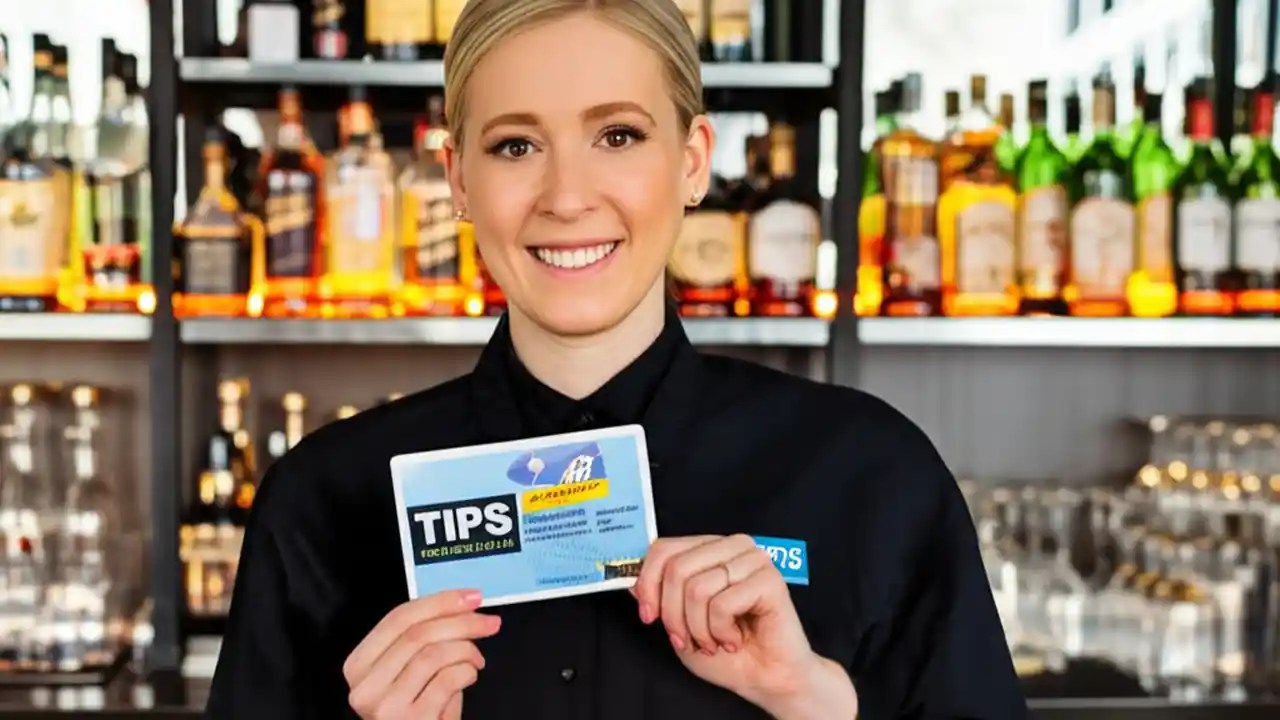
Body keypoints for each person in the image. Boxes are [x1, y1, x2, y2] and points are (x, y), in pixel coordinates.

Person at [206, 0, 1027, 718]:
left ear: (692, 161)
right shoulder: (322, 503)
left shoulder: (868, 470)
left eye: (618, 135)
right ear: (456, 179)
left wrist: (814, 698)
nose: (567, 198)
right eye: (516, 146)